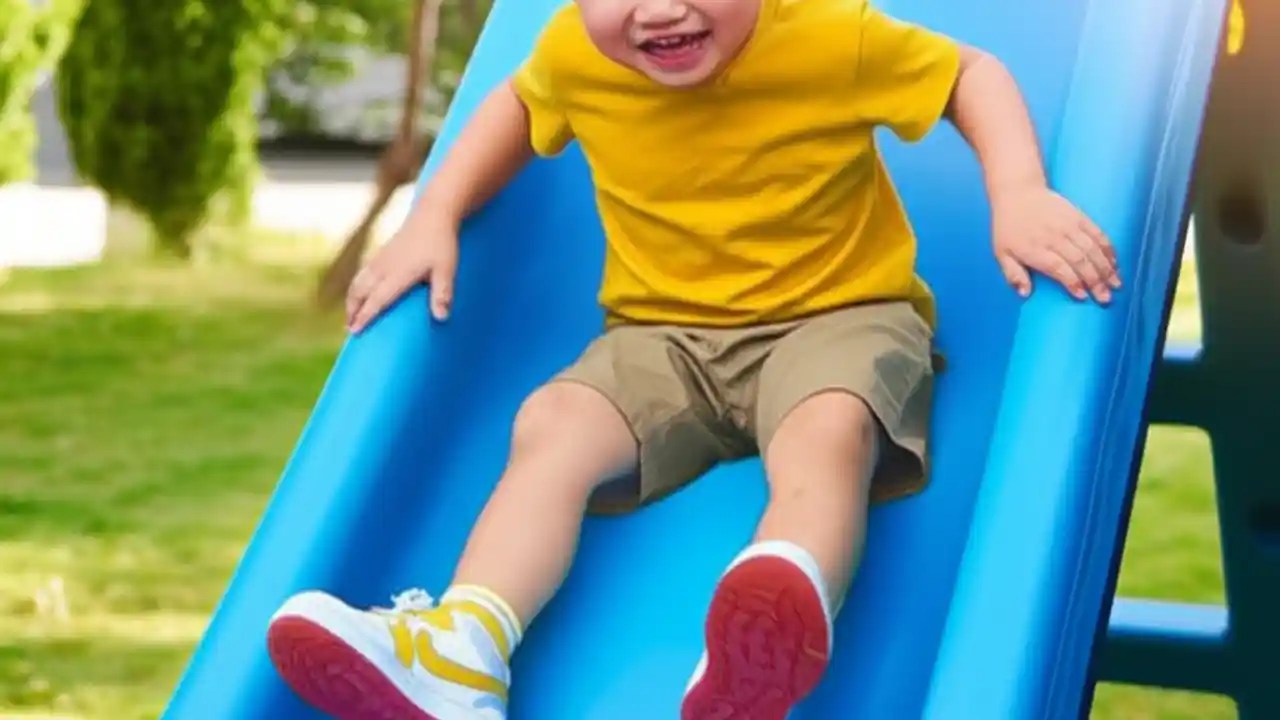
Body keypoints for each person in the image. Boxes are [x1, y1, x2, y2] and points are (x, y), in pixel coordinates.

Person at [264, 0, 1119, 717]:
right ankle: (464, 651)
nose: (660, 9)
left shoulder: (827, 33)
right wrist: (434, 214)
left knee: (827, 431)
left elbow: (970, 74)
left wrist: (1019, 193)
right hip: (662, 340)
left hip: (840, 316)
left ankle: (778, 619)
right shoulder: (576, 53)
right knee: (551, 424)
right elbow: (520, 107)